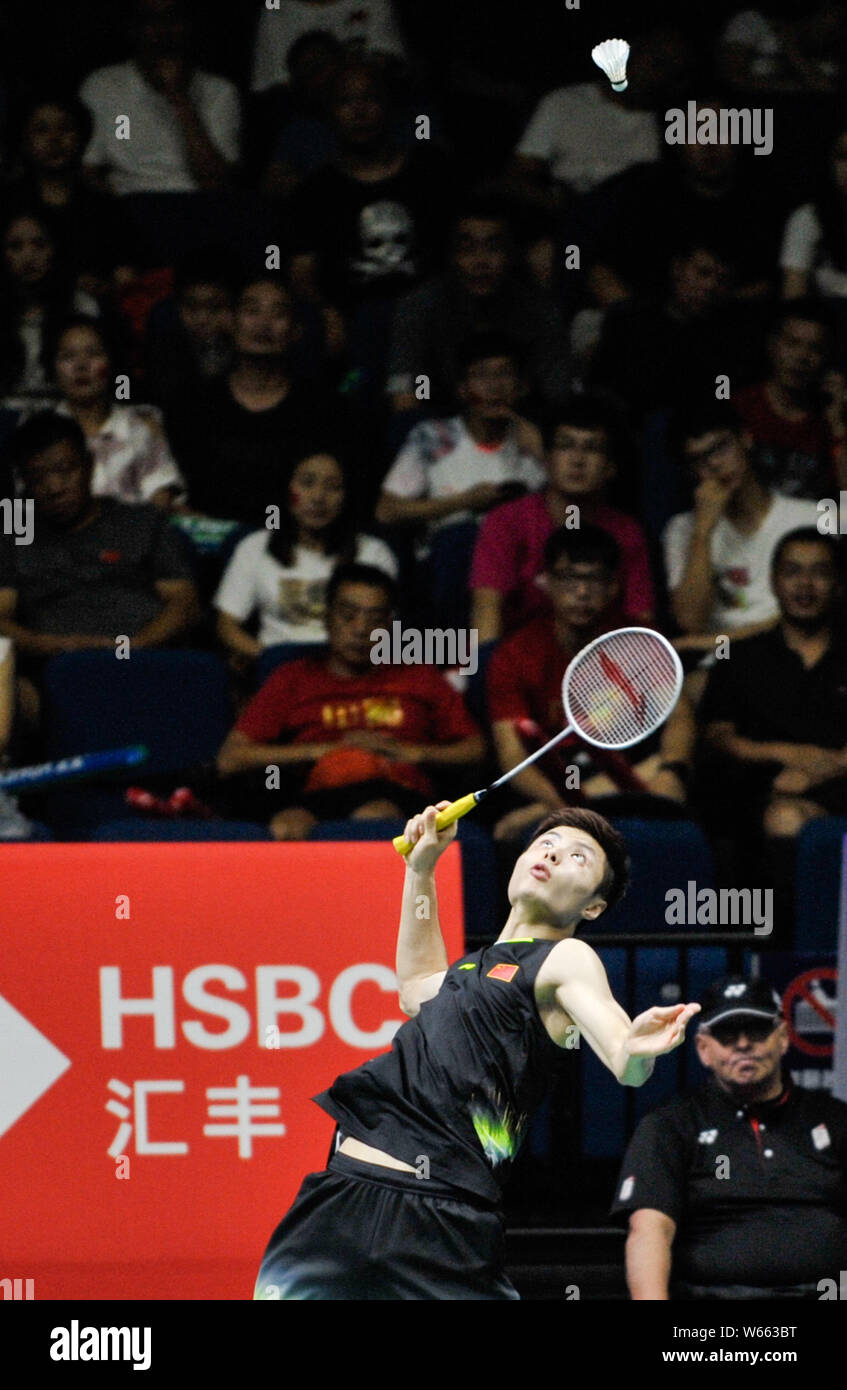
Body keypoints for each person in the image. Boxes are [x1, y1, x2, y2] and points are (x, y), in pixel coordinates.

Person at [253, 802, 700, 1299]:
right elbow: (416, 987)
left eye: (578, 857)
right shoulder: (472, 968)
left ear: (592, 907)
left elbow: (624, 1058)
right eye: (546, 845)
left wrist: (635, 1047)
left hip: (437, 1219)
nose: (553, 855)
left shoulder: (563, 959)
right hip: (341, 1194)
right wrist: (421, 870)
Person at [612, 973, 847, 1299]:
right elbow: (649, 1231)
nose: (742, 1043)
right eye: (726, 1034)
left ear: (782, 1038)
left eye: (756, 1030)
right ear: (704, 1049)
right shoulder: (670, 1125)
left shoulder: (834, 1119)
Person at [215, 563, 483, 839]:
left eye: (374, 618)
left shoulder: (419, 676)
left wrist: (414, 753)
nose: (360, 629)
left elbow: (474, 749)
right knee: (286, 826)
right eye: (348, 615)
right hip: (316, 793)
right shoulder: (292, 677)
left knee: (375, 816)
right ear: (327, 618)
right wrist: (327, 749)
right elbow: (231, 758)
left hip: (399, 791)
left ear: (390, 623)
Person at [487, 527, 693, 843]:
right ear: (548, 584)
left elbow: (678, 716)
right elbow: (513, 754)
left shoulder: (640, 639)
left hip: (627, 760)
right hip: (558, 774)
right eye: (569, 579)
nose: (582, 592)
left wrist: (672, 770)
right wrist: (564, 807)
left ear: (613, 586)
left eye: (595, 580)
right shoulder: (514, 654)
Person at [0, 413, 201, 705]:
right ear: (24, 482)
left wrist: (129, 648)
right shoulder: (15, 530)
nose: (54, 487)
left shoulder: (141, 522)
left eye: (64, 470)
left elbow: (185, 605)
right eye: (37, 477)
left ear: (89, 464)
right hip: (51, 677)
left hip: (143, 663)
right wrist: (52, 646)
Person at [698, 528, 847, 880]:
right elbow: (718, 735)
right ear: (773, 581)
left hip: (840, 787)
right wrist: (787, 755)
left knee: (789, 819)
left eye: (820, 572)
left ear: (839, 583)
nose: (805, 584)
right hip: (757, 791)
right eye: (792, 571)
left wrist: (818, 770)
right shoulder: (740, 657)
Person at [470, 395, 654, 643]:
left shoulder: (627, 532)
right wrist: (485, 672)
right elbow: (487, 612)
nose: (577, 460)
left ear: (610, 467)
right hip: (521, 664)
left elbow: (640, 624)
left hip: (600, 665)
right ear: (546, 459)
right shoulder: (505, 522)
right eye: (566, 446)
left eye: (591, 449)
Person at [386, 197, 570, 419]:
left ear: (511, 254)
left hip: (520, 428)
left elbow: (557, 396)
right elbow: (408, 394)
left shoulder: (540, 311)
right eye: (467, 249)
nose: (480, 261)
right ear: (450, 256)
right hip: (440, 426)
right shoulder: (419, 307)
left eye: (493, 248)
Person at [214, 447, 397, 667]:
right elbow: (226, 626)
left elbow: (385, 630)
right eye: (307, 483)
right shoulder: (253, 547)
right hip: (278, 669)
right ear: (287, 488)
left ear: (347, 496)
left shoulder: (374, 553)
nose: (318, 497)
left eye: (333, 487)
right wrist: (270, 660)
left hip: (350, 670)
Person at [663, 404, 821, 653]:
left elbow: (823, 615)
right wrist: (703, 530)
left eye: (720, 448)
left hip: (798, 657)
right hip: (722, 667)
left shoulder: (812, 517)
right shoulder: (682, 529)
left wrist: (708, 642)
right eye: (699, 459)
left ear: (745, 439)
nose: (714, 464)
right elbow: (690, 622)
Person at [49, 315, 186, 509]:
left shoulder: (140, 427)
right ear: (53, 367)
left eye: (94, 354)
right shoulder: (38, 433)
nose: (81, 366)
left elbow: (162, 499)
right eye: (68, 356)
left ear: (112, 362)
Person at [734, 300, 847, 496]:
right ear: (772, 346)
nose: (802, 356)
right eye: (792, 343)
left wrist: (837, 424)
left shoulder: (832, 420)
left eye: (815, 349)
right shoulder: (740, 407)